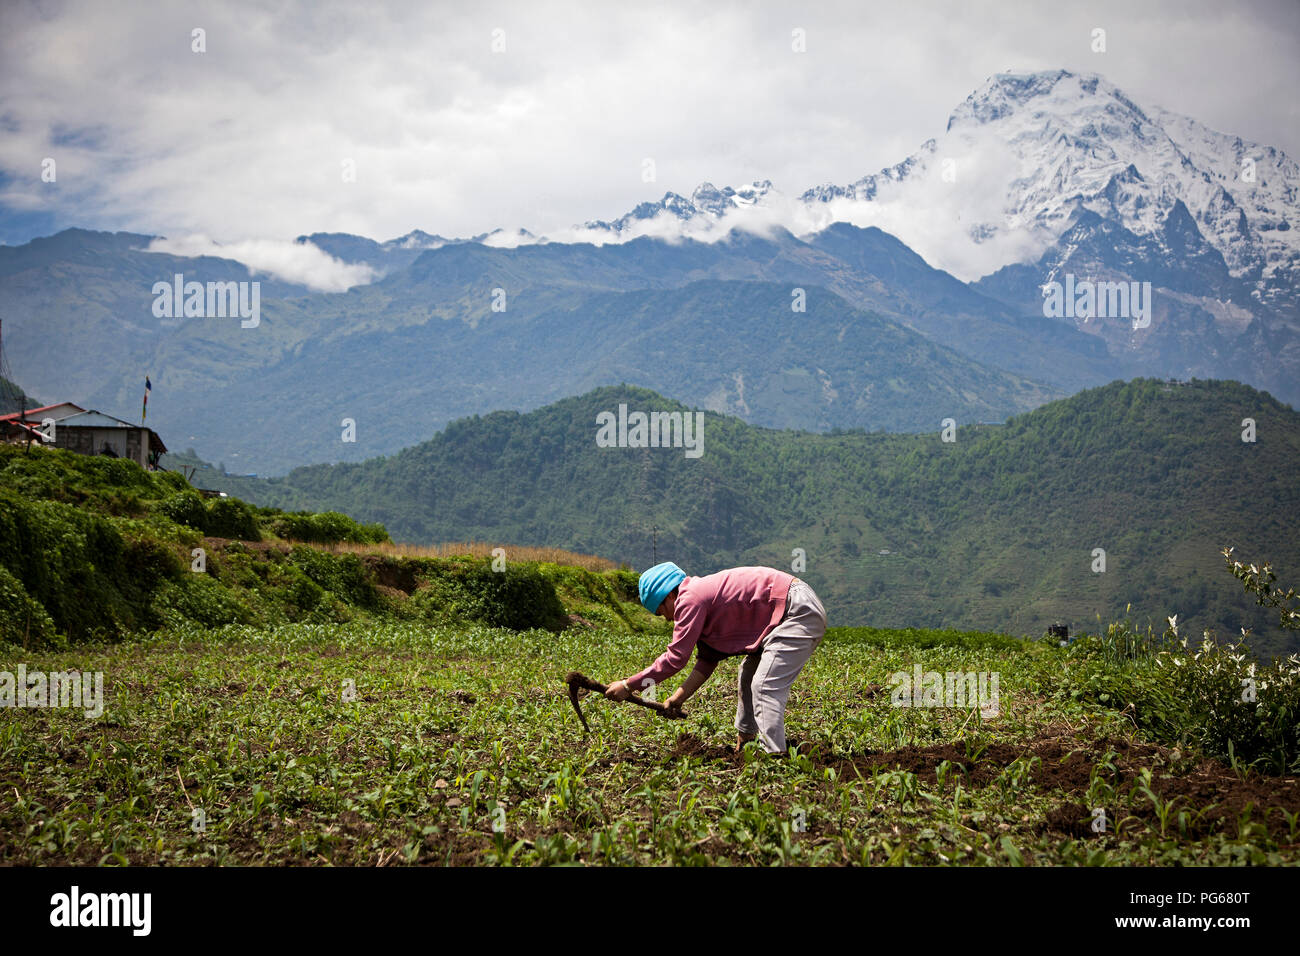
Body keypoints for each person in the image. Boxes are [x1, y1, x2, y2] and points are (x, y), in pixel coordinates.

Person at [605, 562, 827, 754]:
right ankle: (746, 743)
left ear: (669, 596)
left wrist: (628, 685)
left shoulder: (689, 599)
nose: (665, 619)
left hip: (795, 611)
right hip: (788, 610)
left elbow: (675, 659)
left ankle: (774, 756)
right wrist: (677, 698)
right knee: (748, 677)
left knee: (765, 685)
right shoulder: (699, 599)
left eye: (661, 612)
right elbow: (707, 660)